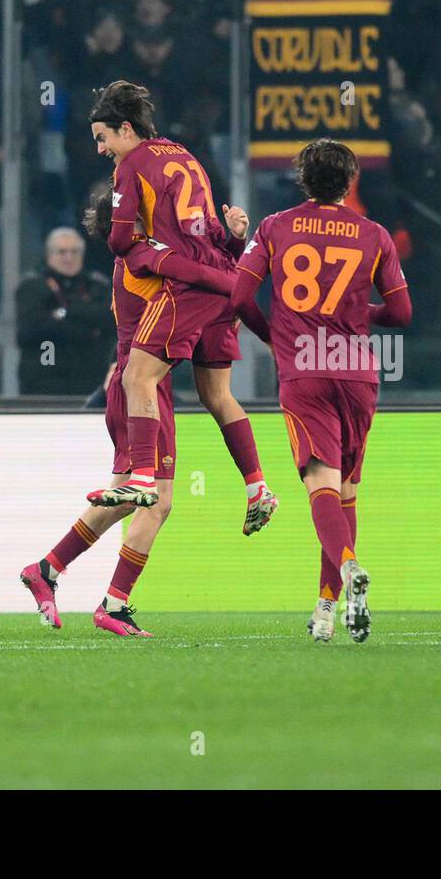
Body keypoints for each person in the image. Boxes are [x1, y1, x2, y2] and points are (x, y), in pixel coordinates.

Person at [18, 186, 271, 638]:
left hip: (145, 390)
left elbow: (202, 266)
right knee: (156, 501)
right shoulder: (143, 257)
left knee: (131, 499)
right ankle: (111, 603)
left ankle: (48, 570)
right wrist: (253, 284)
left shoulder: (144, 254)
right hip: (140, 390)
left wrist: (231, 242)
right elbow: (206, 277)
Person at [229, 139, 412, 644]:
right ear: (350, 181)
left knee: (320, 487)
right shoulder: (374, 235)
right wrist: (358, 315)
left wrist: (275, 334)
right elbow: (401, 314)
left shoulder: (274, 227)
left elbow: (240, 296)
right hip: (357, 374)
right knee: (344, 493)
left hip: (304, 372)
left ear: (303, 180)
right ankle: (326, 610)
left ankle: (349, 566)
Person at [81, 81, 278, 538]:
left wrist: (145, 250)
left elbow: (118, 238)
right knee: (217, 395)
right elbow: (210, 230)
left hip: (188, 285)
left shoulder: (132, 166)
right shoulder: (185, 155)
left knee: (135, 375)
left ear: (125, 129)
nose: (100, 148)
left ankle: (143, 479)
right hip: (220, 279)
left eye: (102, 137)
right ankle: (257, 488)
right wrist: (232, 237)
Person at [15, 227, 115, 395]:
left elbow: (111, 321)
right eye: (62, 252)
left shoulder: (99, 286)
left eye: (74, 252)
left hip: (90, 384)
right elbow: (31, 330)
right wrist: (89, 332)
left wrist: (64, 313)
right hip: (42, 384)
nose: (69, 258)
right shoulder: (32, 287)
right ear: (49, 255)